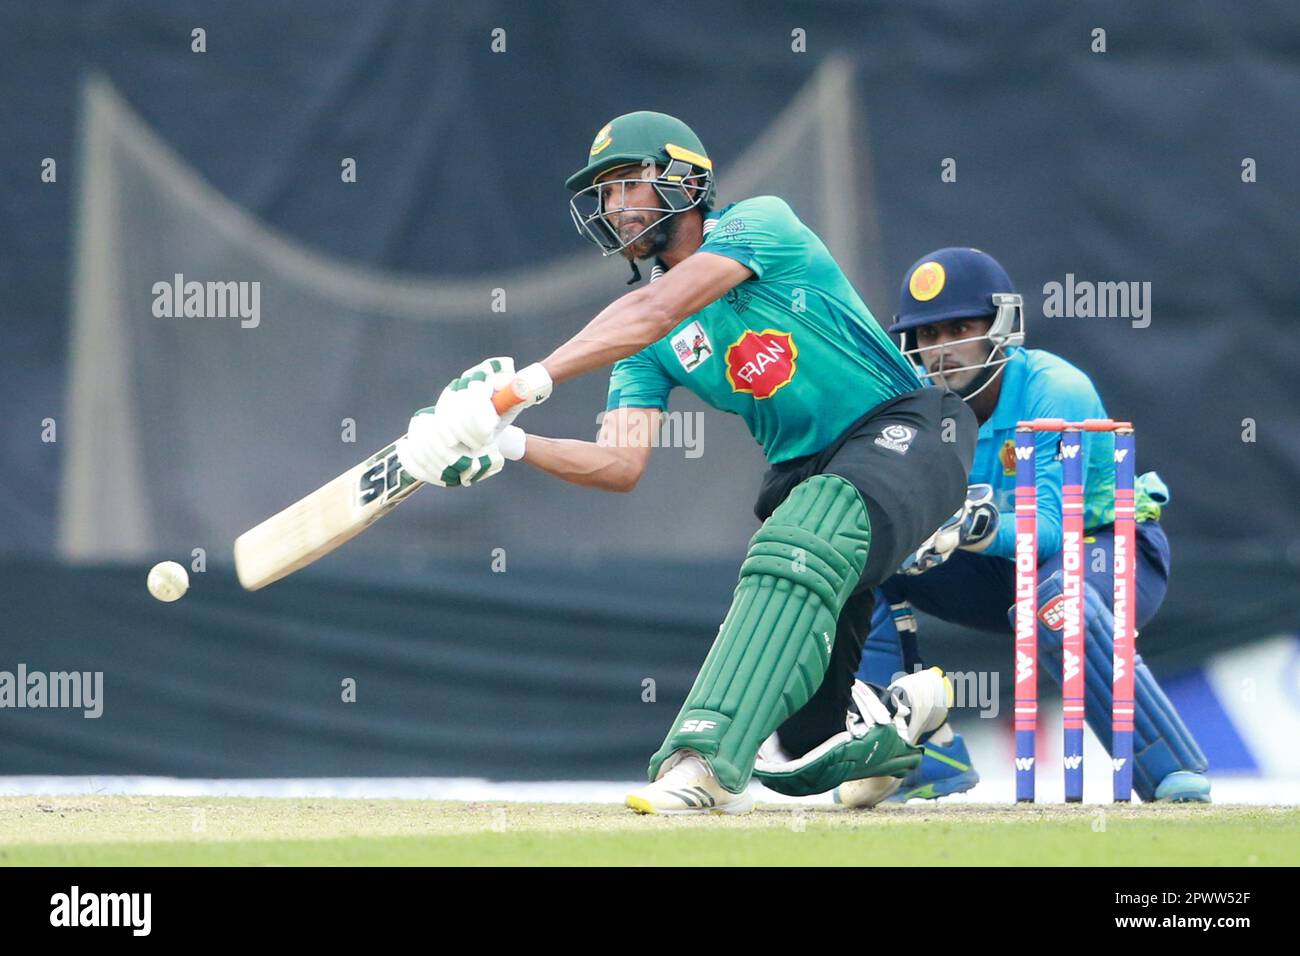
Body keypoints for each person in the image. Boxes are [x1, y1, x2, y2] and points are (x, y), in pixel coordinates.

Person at [392, 111, 979, 813]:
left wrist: (510, 393)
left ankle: (702, 764)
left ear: (684, 180)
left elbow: (659, 306)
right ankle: (899, 717)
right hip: (812, 478)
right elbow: (619, 463)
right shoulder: (643, 336)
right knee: (809, 741)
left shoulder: (760, 223)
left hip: (907, 429)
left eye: (625, 184)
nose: (613, 207)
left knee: (796, 537)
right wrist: (511, 443)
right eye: (603, 195)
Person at [838, 247, 1210, 806]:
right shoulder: (914, 409)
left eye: (960, 328)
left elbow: (1053, 530)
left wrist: (970, 527)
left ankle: (1169, 769)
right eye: (928, 334)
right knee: (861, 563)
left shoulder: (1055, 390)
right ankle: (915, 754)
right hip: (1001, 574)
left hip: (1109, 550)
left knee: (1055, 600)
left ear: (1001, 327)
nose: (943, 350)